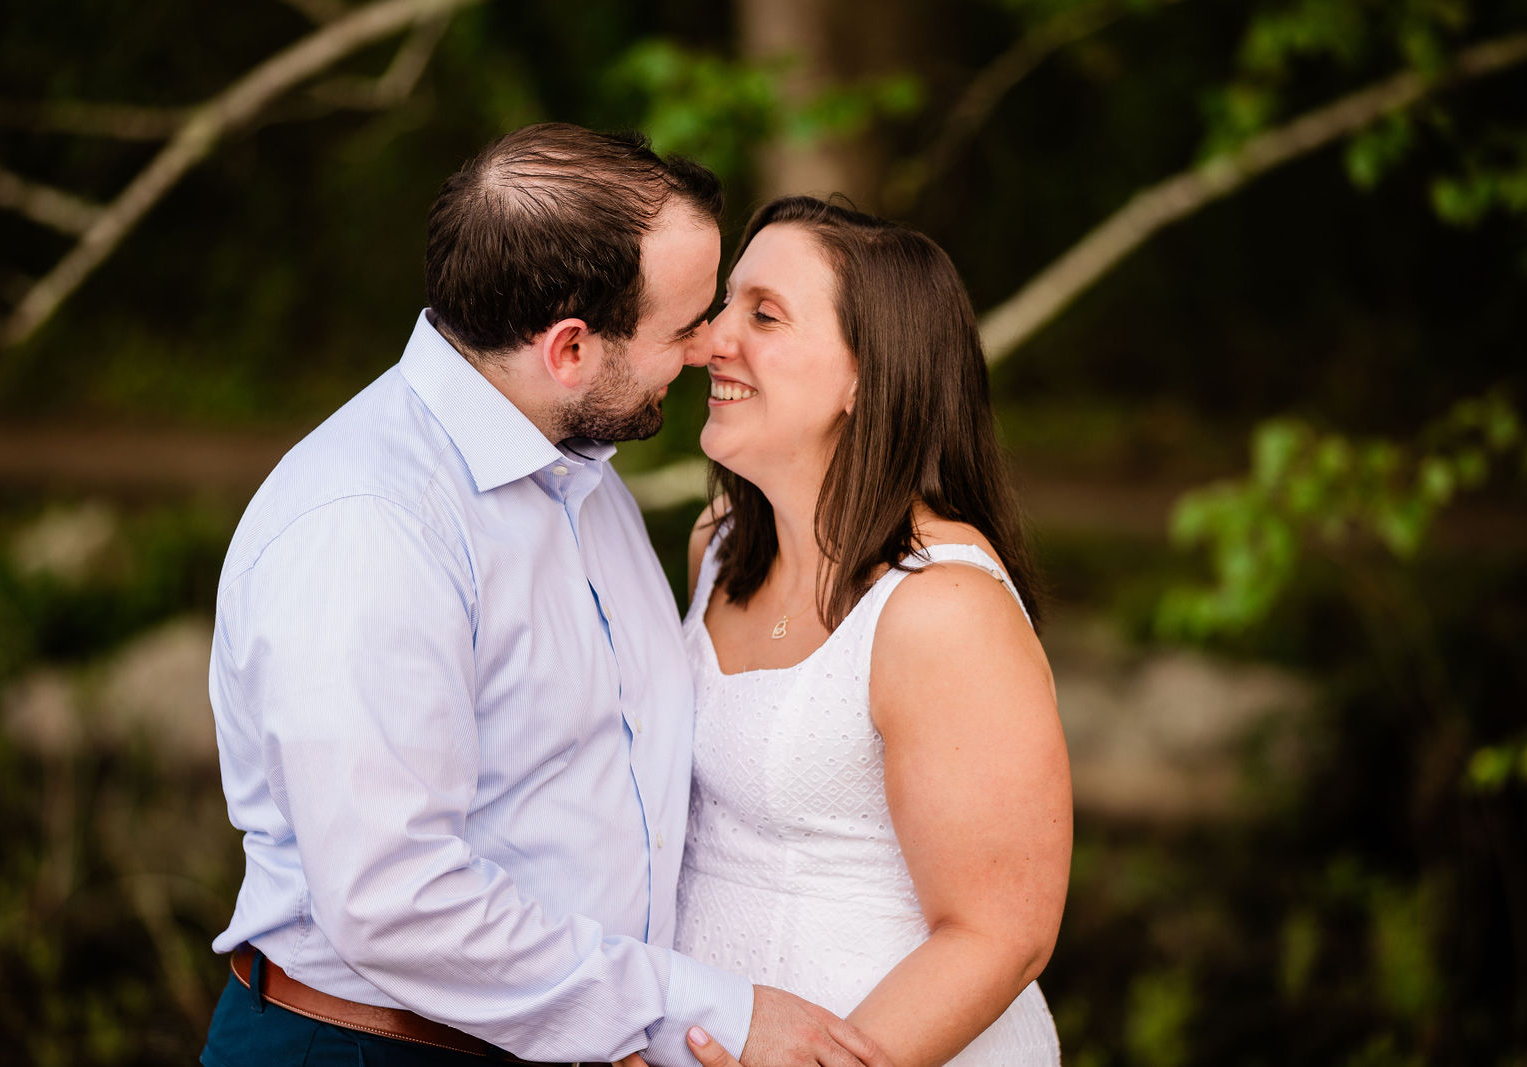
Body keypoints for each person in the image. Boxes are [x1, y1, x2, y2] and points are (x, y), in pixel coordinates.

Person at [200, 127, 891, 1067]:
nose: (706, 350)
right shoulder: (369, 523)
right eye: (685, 326)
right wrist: (704, 1011)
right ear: (570, 348)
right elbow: (397, 901)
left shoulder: (583, 475)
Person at [672, 197, 1072, 1067]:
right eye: (724, 305)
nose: (709, 340)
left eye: (763, 314)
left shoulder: (942, 608)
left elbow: (1002, 932)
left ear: (868, 375)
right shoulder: (719, 545)